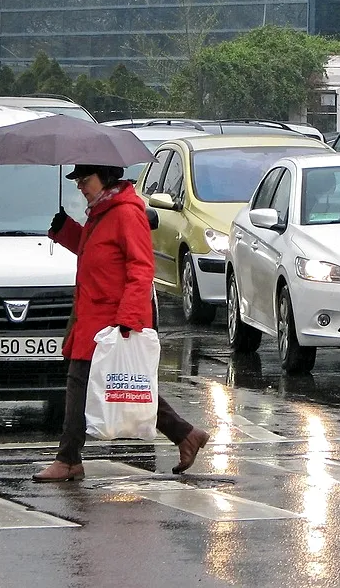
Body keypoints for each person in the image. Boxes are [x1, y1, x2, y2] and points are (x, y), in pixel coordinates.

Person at [34, 164, 209, 482]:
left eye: (85, 180)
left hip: (112, 320)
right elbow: (95, 254)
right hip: (93, 317)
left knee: (88, 384)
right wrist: (65, 229)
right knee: (122, 385)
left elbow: (141, 266)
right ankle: (185, 435)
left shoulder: (126, 212)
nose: (80, 186)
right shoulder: (100, 211)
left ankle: (68, 459)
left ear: (105, 178)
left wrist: (127, 319)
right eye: (77, 181)